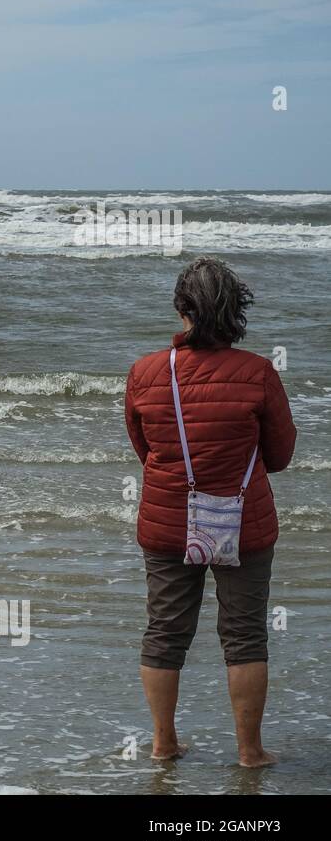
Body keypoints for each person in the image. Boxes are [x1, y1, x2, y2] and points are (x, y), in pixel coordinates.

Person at [125, 257, 296, 767]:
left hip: (166, 519)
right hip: (243, 524)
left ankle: (162, 743)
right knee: (244, 635)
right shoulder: (258, 373)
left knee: (165, 631)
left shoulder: (145, 371)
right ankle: (250, 751)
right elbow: (281, 455)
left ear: (183, 308)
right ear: (235, 312)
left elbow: (145, 448)